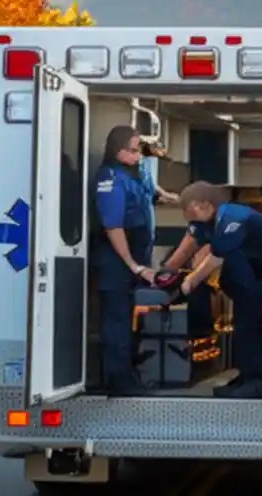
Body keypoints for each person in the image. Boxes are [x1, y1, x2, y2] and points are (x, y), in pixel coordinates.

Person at [160, 181, 262, 399]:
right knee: (244, 328)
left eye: (188, 209)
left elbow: (216, 256)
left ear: (203, 205)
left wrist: (190, 282)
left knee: (247, 328)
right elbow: (189, 243)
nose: (186, 215)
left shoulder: (233, 217)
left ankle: (258, 382)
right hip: (253, 278)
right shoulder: (206, 220)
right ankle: (251, 376)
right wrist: (164, 274)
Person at [91, 125, 155, 396]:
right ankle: (119, 381)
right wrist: (132, 264)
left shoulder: (131, 175)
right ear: (117, 151)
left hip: (129, 265)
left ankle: (128, 374)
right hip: (116, 263)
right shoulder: (110, 179)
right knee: (116, 322)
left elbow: (147, 194)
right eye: (132, 150)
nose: (138, 155)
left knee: (125, 319)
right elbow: (113, 226)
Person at [136, 140, 178, 264]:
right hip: (142, 206)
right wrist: (169, 196)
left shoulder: (149, 161)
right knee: (146, 239)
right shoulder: (144, 161)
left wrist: (161, 197)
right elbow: (150, 185)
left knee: (147, 239)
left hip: (147, 202)